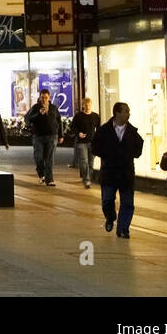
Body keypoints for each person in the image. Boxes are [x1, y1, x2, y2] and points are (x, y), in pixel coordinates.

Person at [91, 102, 145, 239]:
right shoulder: (104, 130)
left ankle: (123, 229)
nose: (128, 114)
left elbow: (139, 147)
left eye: (128, 112)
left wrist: (129, 155)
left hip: (126, 172)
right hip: (109, 172)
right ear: (117, 113)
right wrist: (107, 154)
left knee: (127, 202)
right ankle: (110, 217)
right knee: (107, 200)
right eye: (125, 111)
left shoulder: (132, 132)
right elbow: (95, 146)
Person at [24, 89, 62, 186]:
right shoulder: (36, 107)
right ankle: (41, 174)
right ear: (40, 98)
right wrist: (39, 114)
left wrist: (61, 135)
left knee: (49, 158)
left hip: (52, 136)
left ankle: (49, 180)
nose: (44, 99)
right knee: (39, 157)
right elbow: (29, 119)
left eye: (46, 97)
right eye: (42, 97)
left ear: (49, 97)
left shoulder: (53, 108)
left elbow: (59, 121)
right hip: (38, 136)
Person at [70, 97, 101, 188]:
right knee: (84, 161)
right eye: (85, 104)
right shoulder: (79, 116)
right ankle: (86, 179)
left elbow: (99, 128)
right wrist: (78, 133)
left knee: (91, 162)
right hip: (81, 142)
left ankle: (89, 178)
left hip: (92, 142)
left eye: (88, 104)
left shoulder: (95, 116)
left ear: (91, 105)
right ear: (83, 105)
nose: (87, 106)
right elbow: (73, 127)